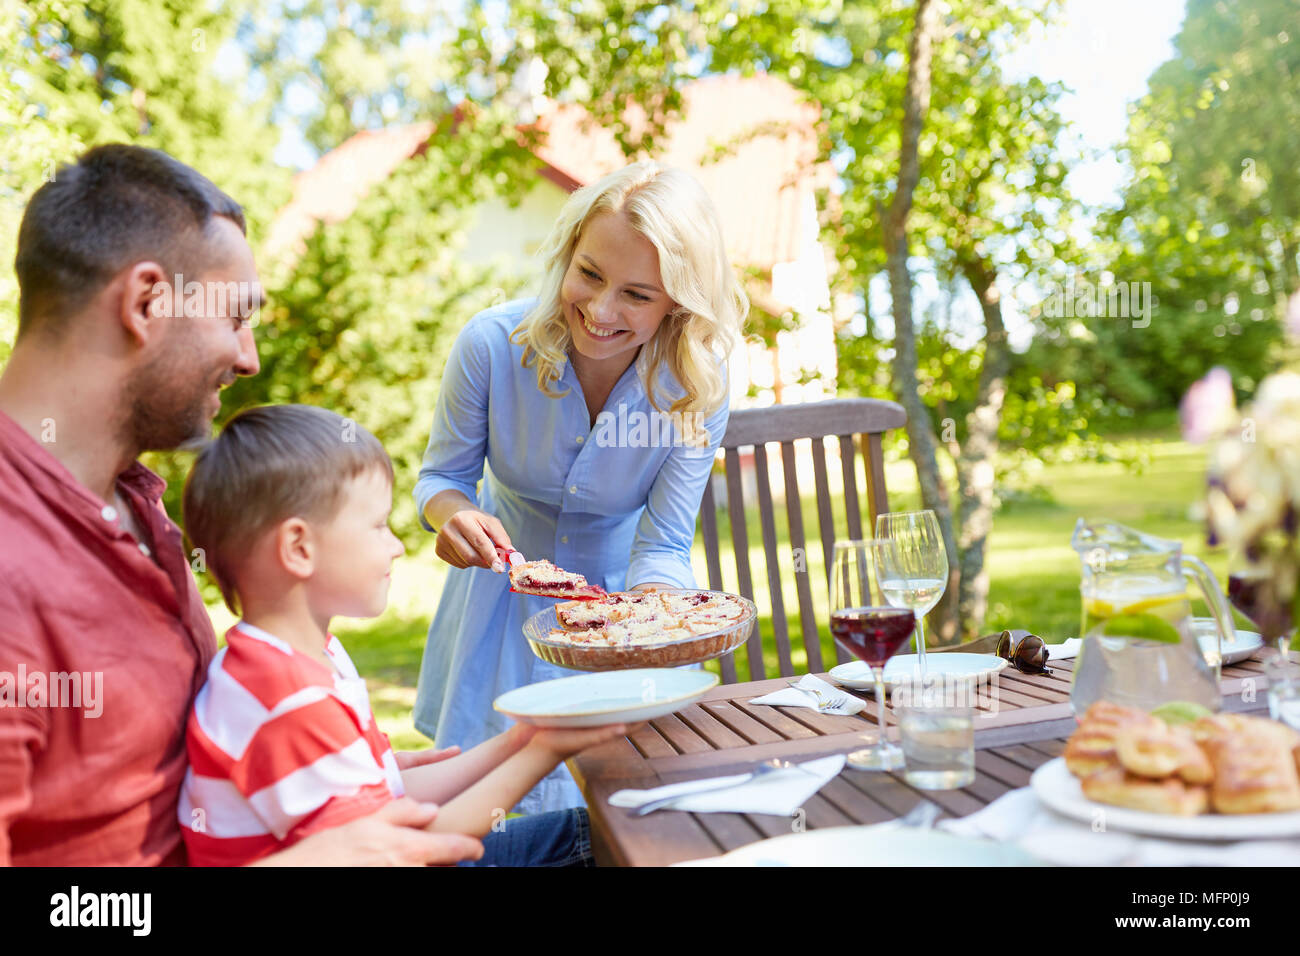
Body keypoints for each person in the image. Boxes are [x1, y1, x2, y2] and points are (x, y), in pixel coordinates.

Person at [0, 144, 479, 866]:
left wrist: (355, 779)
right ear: (146, 303)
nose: (250, 357)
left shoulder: (135, 503)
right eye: (237, 317)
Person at [414, 160, 748, 813]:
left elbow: (664, 545)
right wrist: (449, 516)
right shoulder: (490, 345)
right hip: (498, 611)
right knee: (489, 820)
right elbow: (442, 479)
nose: (599, 310)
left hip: (624, 616)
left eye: (637, 295)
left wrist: (650, 625)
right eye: (589, 274)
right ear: (567, 253)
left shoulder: (695, 387)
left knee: (620, 815)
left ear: (678, 302)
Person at [179, 404, 625, 866]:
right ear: (298, 548)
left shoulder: (308, 657)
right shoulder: (284, 697)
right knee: (613, 842)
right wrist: (548, 751)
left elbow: (386, 793)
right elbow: (404, 846)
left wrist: (523, 738)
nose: (396, 545)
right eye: (378, 526)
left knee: (603, 832)